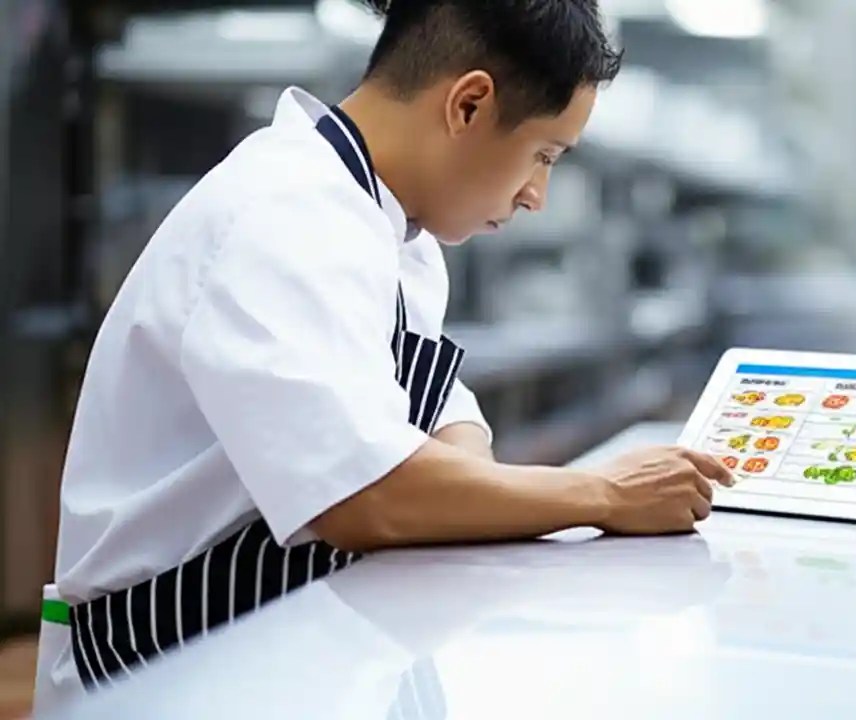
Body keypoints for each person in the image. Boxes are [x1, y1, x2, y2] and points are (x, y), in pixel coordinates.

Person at [36, 0, 733, 704]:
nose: (536, 196)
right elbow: (363, 496)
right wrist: (602, 494)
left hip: (279, 637)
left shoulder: (396, 234)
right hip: (160, 662)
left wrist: (449, 488)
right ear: (469, 105)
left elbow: (446, 437)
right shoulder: (282, 213)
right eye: (543, 156)